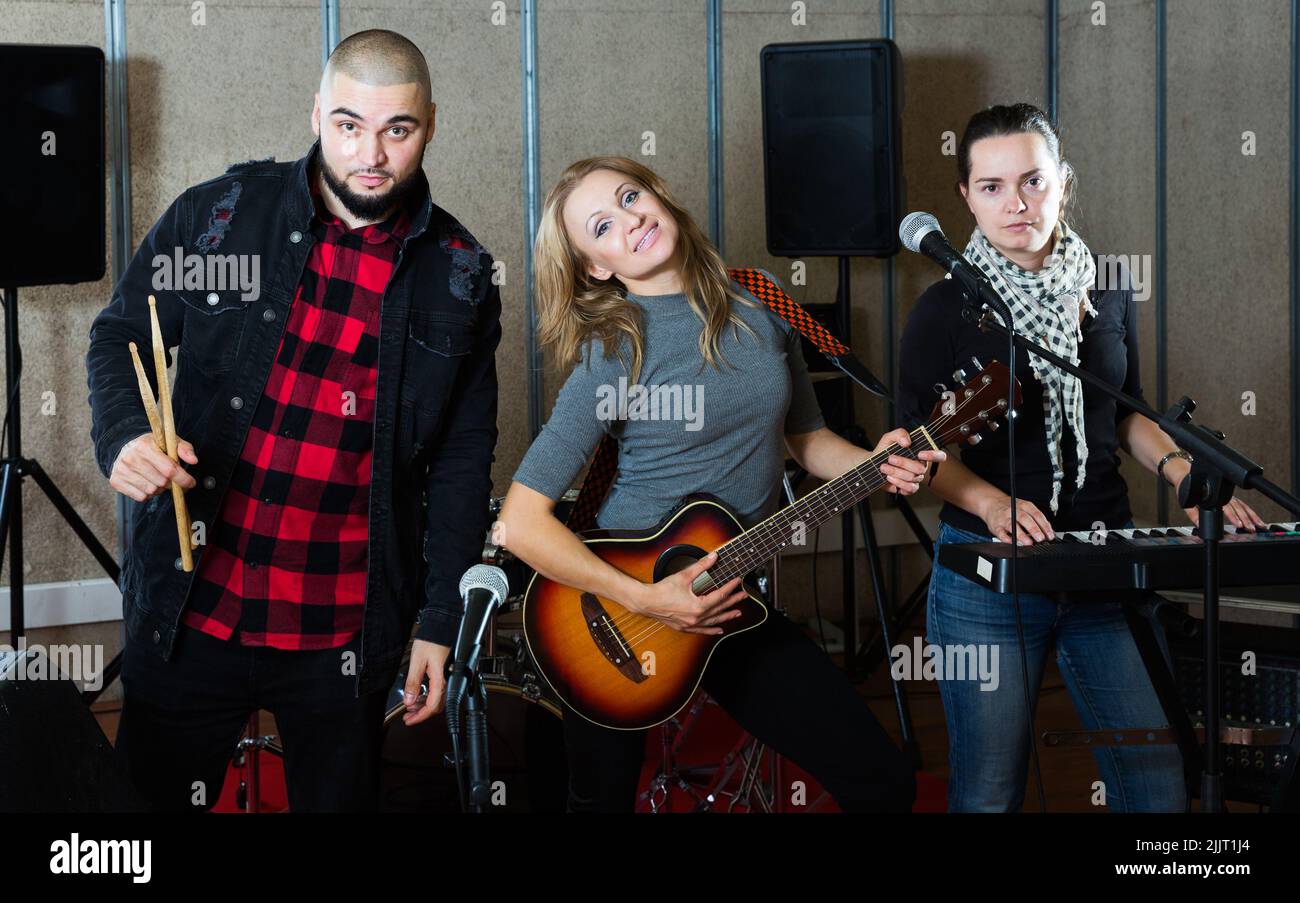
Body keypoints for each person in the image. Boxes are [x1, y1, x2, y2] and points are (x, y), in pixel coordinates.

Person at [85, 29, 500, 811]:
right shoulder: (220, 214)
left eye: (396, 130)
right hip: (195, 605)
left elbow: (460, 461)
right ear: (316, 113)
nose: (369, 153)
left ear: (431, 125)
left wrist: (441, 618)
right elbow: (121, 334)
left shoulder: (462, 276)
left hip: (344, 626)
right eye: (348, 125)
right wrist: (125, 435)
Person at [497, 155, 945, 812]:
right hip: (608, 614)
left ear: (657, 191)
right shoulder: (613, 349)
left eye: (630, 195)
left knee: (883, 780)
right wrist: (647, 600)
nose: (630, 219)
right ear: (597, 265)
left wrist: (877, 462)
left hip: (727, 593)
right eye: (603, 224)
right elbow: (521, 520)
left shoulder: (761, 296)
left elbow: (807, 439)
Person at [897, 102, 1266, 812]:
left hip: (1102, 559)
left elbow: (1123, 410)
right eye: (993, 186)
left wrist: (1186, 474)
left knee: (1158, 789)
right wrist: (987, 501)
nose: (1016, 203)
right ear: (966, 198)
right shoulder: (943, 311)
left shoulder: (1105, 290)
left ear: (1064, 181)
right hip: (988, 577)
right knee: (988, 792)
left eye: (1033, 181)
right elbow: (918, 452)